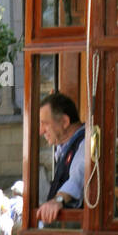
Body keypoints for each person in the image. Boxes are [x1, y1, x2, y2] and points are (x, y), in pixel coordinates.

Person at [38, 92, 85, 224]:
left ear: (64, 121)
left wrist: (58, 200)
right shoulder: (63, 148)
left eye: (45, 124)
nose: (41, 131)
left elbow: (79, 176)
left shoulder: (86, 142)